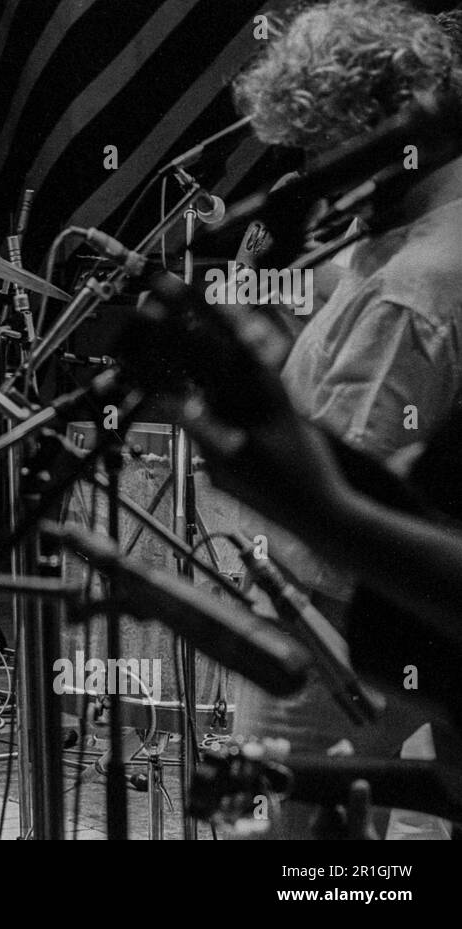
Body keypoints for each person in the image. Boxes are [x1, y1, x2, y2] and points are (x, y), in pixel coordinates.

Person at [223, 0, 462, 834]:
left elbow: (345, 525)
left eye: (320, 145)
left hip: (326, 644)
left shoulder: (413, 286)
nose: (312, 172)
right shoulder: (419, 233)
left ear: (379, 128)